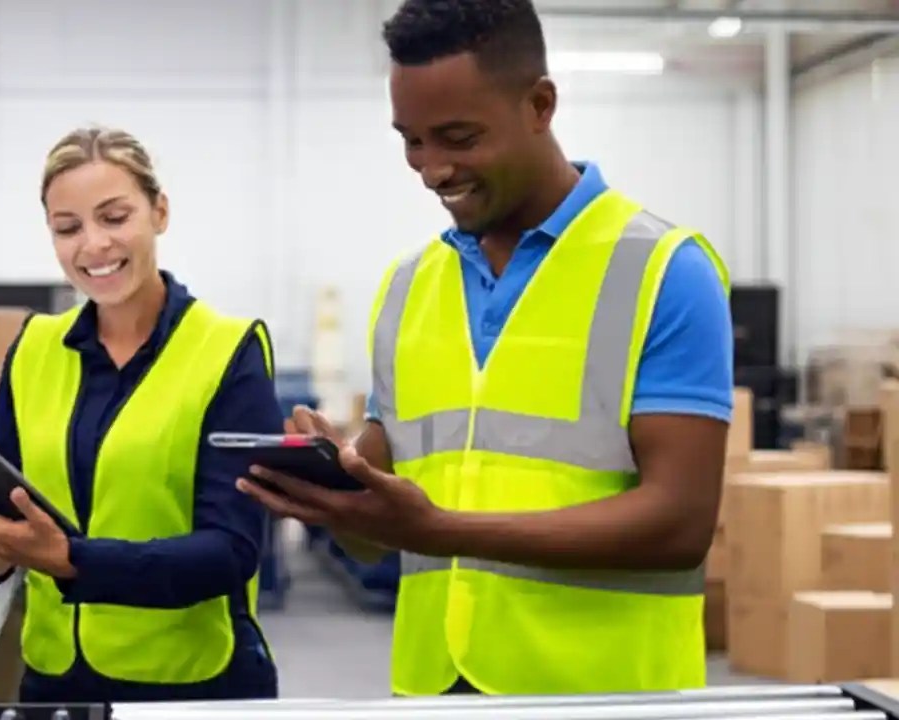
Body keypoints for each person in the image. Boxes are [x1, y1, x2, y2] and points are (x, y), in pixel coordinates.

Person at [238, 0, 733, 698]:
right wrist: (335, 493)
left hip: (604, 696)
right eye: (410, 140)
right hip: (435, 694)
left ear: (540, 104)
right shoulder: (408, 288)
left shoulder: (664, 271)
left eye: (458, 137)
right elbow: (377, 540)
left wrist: (446, 529)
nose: (432, 169)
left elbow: (679, 524)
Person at [0, 126, 282, 704]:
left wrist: (71, 560)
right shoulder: (33, 348)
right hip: (55, 684)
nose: (93, 245)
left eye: (114, 217)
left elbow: (231, 551)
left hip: (189, 687)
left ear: (160, 212)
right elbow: (6, 522)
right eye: (67, 228)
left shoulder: (227, 350)